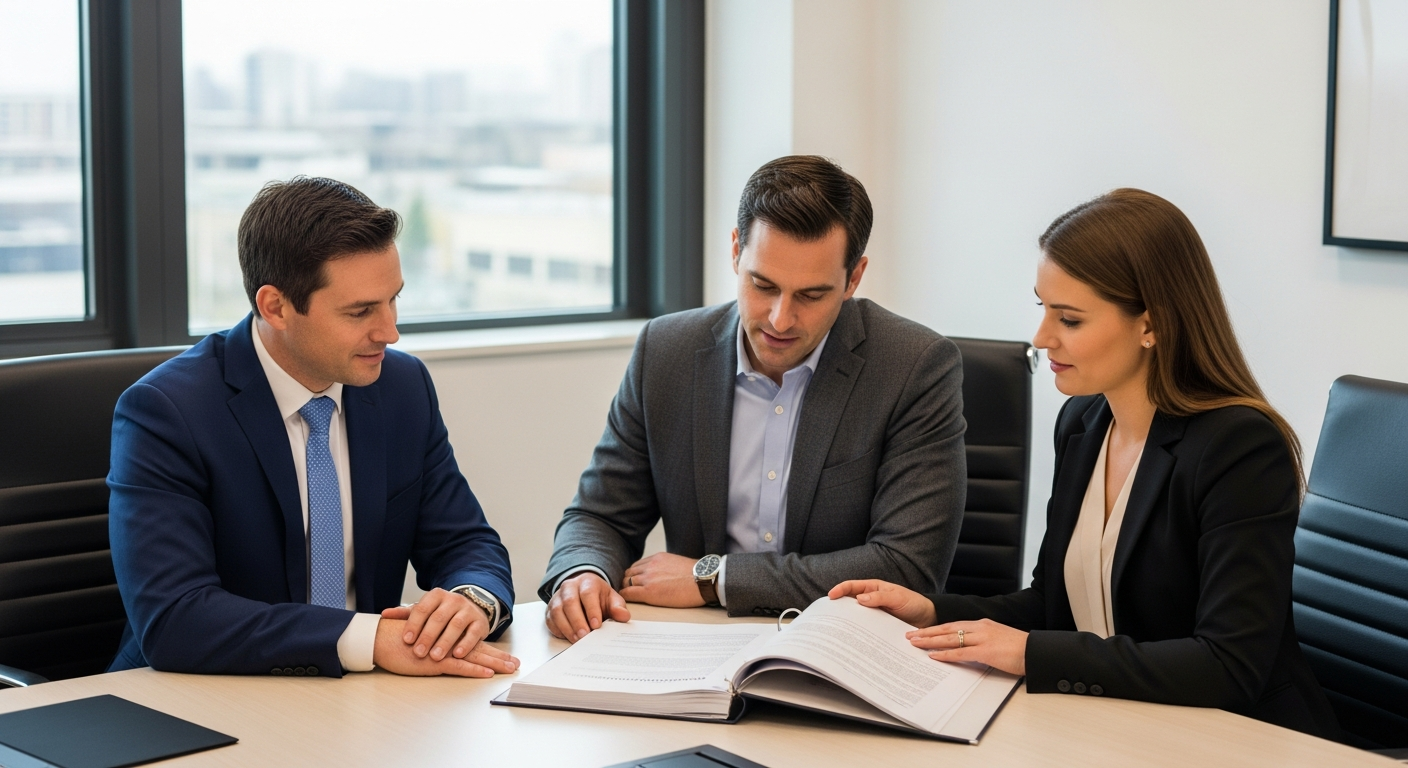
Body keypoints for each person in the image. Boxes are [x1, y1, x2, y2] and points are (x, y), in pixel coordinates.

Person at [831, 188, 1339, 738]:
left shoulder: (1238, 448)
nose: (1042, 337)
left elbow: (1228, 665)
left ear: (1152, 325)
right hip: (1119, 727)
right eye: (1043, 309)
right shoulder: (1083, 423)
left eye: (1069, 319)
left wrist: (1032, 654)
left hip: (1240, 740)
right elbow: (1053, 604)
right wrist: (935, 613)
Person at [541, 155, 967, 642]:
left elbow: (906, 566)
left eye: (811, 295)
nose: (780, 319)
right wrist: (583, 574)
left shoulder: (915, 367)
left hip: (843, 648)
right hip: (696, 646)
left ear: (854, 278)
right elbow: (599, 515)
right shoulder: (666, 352)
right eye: (762, 285)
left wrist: (715, 579)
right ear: (736, 251)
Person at [108, 177, 519, 679]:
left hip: (361, 702)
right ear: (275, 307)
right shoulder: (168, 412)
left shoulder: (402, 386)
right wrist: (369, 640)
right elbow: (175, 619)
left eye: (392, 300)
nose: (389, 331)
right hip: (196, 697)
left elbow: (465, 543)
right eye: (360, 311)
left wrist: (470, 602)